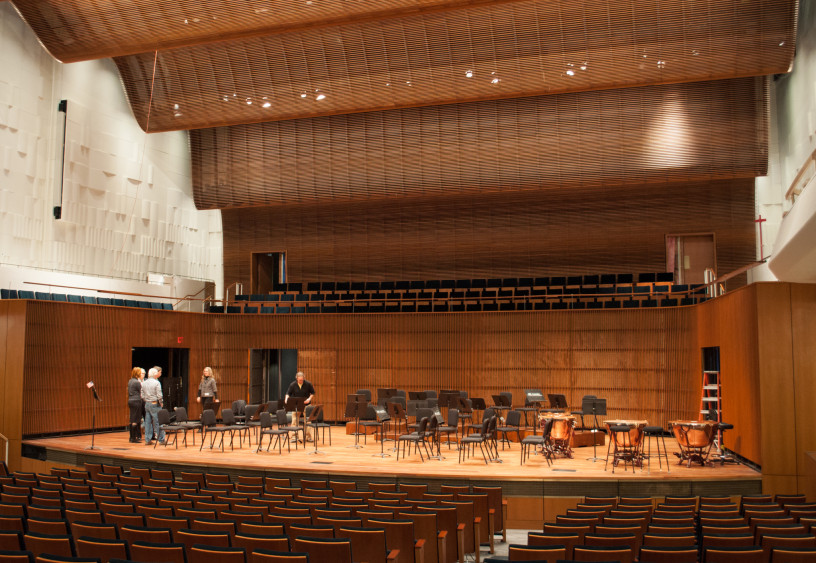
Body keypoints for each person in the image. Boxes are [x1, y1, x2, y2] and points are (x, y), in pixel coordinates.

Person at [285, 371, 315, 441]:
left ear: (304, 378)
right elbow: (288, 393)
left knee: (308, 421)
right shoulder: (292, 385)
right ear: (297, 378)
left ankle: (308, 437)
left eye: (302, 380)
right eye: (299, 380)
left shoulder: (308, 384)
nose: (301, 381)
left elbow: (313, 393)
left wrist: (309, 398)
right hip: (296, 405)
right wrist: (286, 398)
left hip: (306, 404)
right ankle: (294, 437)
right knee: (295, 420)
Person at [141, 367, 165, 445]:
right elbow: (159, 395)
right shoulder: (156, 383)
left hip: (147, 404)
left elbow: (142, 394)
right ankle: (161, 439)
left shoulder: (144, 382)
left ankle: (147, 440)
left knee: (147, 422)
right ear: (155, 374)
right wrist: (161, 402)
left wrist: (146, 400)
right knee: (158, 421)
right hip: (155, 403)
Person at [127, 367, 143, 443]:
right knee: (136, 419)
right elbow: (141, 391)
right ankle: (133, 438)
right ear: (137, 374)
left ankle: (131, 437)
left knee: (132, 418)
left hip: (130, 400)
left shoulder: (130, 381)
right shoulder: (137, 382)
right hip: (136, 401)